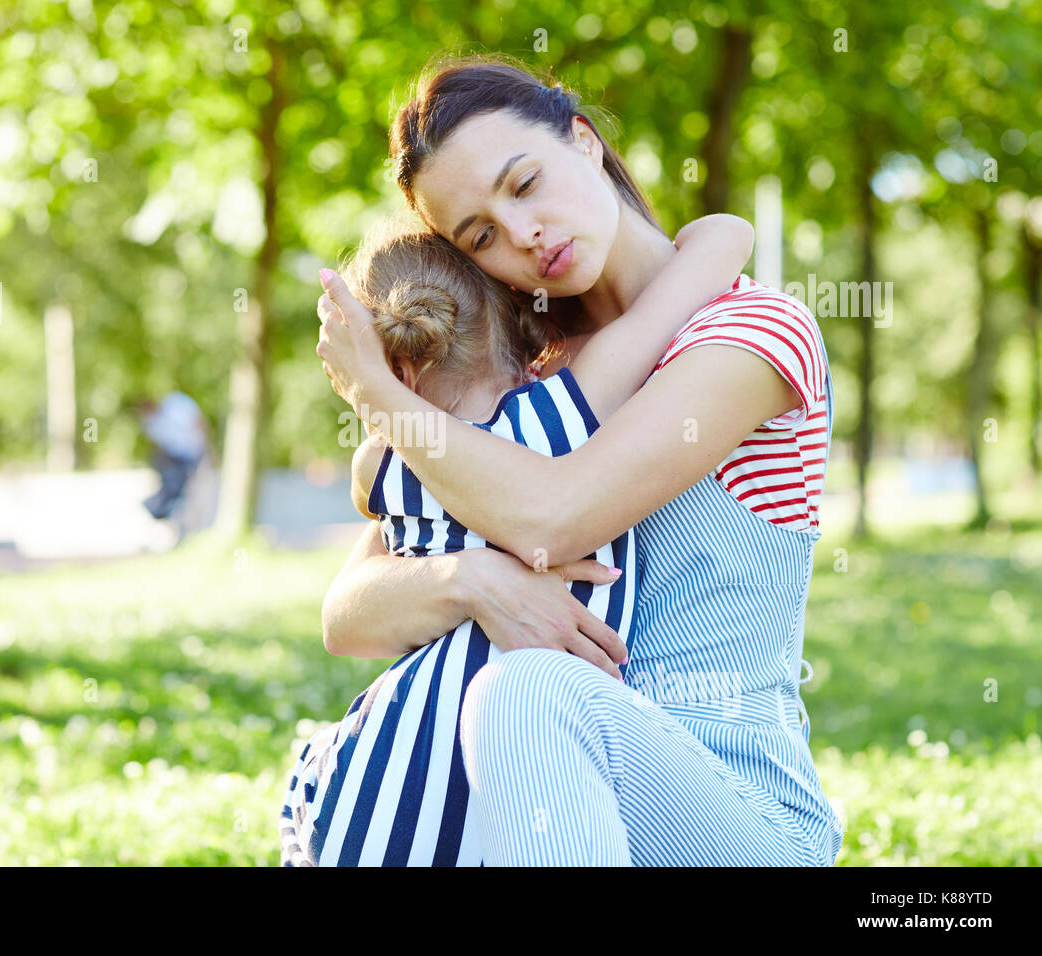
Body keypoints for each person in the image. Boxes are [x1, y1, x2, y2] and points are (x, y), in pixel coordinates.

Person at [314, 55, 844, 866]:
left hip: (738, 821)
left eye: (524, 184)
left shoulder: (751, 337)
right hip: (547, 821)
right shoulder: (523, 383)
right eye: (481, 235)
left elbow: (549, 518)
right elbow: (349, 612)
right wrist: (468, 581)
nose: (522, 234)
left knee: (527, 692)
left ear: (585, 143)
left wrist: (378, 395)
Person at [280, 210, 756, 866]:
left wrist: (377, 396)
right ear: (524, 334)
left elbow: (370, 496)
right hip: (503, 806)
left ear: (398, 367)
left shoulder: (386, 463)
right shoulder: (572, 412)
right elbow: (714, 253)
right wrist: (719, 233)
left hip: (360, 803)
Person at [137, 391, 206, 521]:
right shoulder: (151, 424)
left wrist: (207, 449)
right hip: (175, 458)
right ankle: (161, 508)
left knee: (188, 486)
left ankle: (167, 508)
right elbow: (158, 446)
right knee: (173, 482)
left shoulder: (175, 404)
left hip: (193, 453)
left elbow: (198, 422)